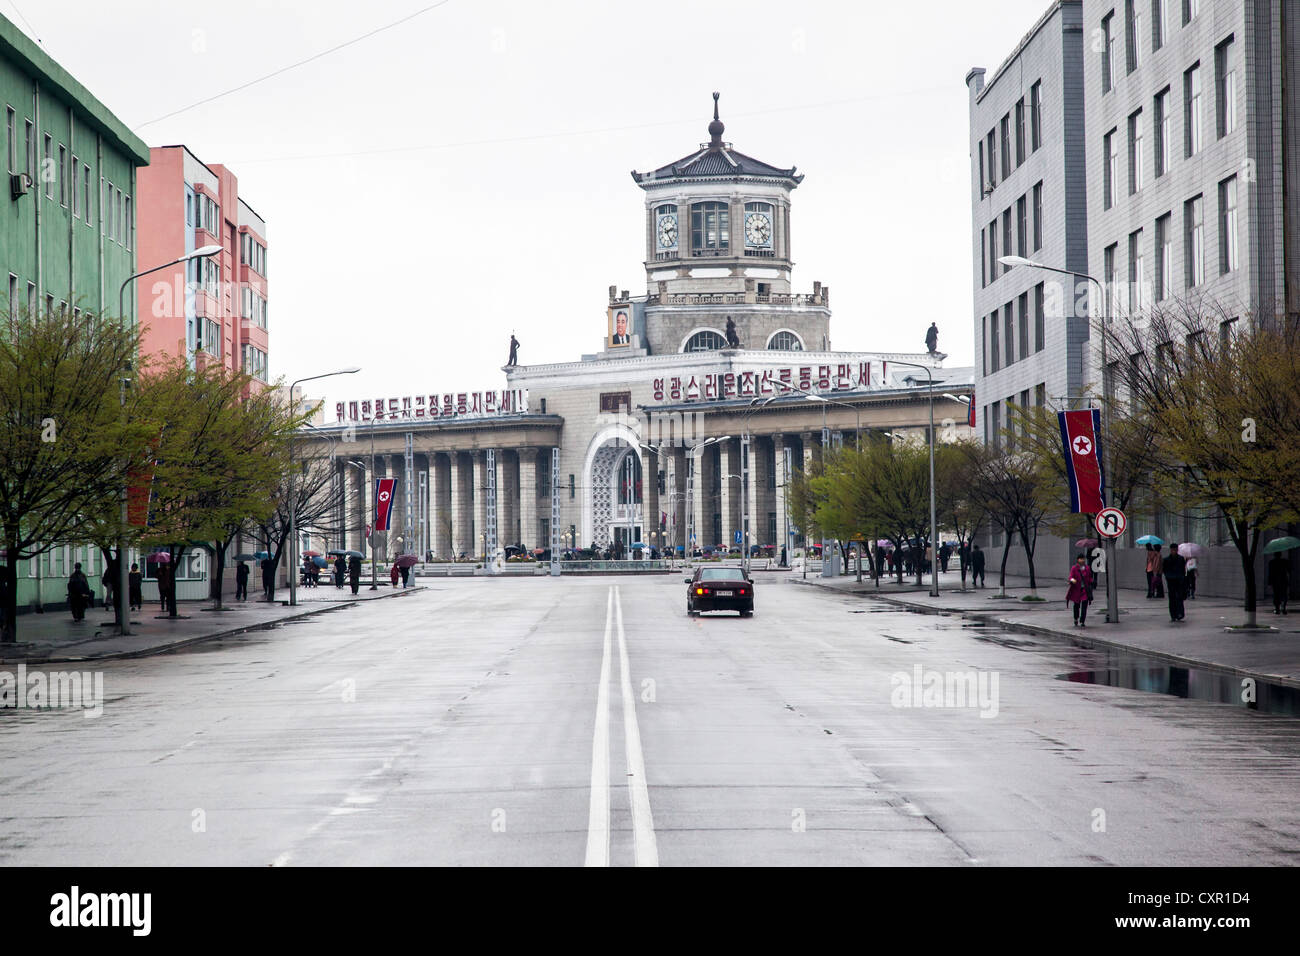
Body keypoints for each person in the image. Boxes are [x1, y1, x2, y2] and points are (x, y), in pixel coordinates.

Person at [1066, 553, 1095, 627]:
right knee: (1076, 605)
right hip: (1076, 590)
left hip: (1084, 590)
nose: (1082, 560)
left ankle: (1082, 621)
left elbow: (1090, 578)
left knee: (1084, 604)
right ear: (1078, 560)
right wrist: (1073, 580)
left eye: (1083, 559)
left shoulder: (1087, 568)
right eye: (1081, 559)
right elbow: (1070, 577)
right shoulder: (1074, 568)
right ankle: (1076, 618)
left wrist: (1091, 582)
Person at [1162, 543, 1187, 623]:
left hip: (1179, 580)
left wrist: (1183, 578)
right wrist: (1167, 576)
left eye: (1175, 550)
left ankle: (1180, 613)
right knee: (1172, 598)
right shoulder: (1166, 560)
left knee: (1179, 597)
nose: (1174, 551)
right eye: (1173, 550)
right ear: (1171, 550)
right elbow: (1164, 569)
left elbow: (1183, 569)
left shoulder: (1181, 559)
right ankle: (1173, 615)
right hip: (1171, 580)